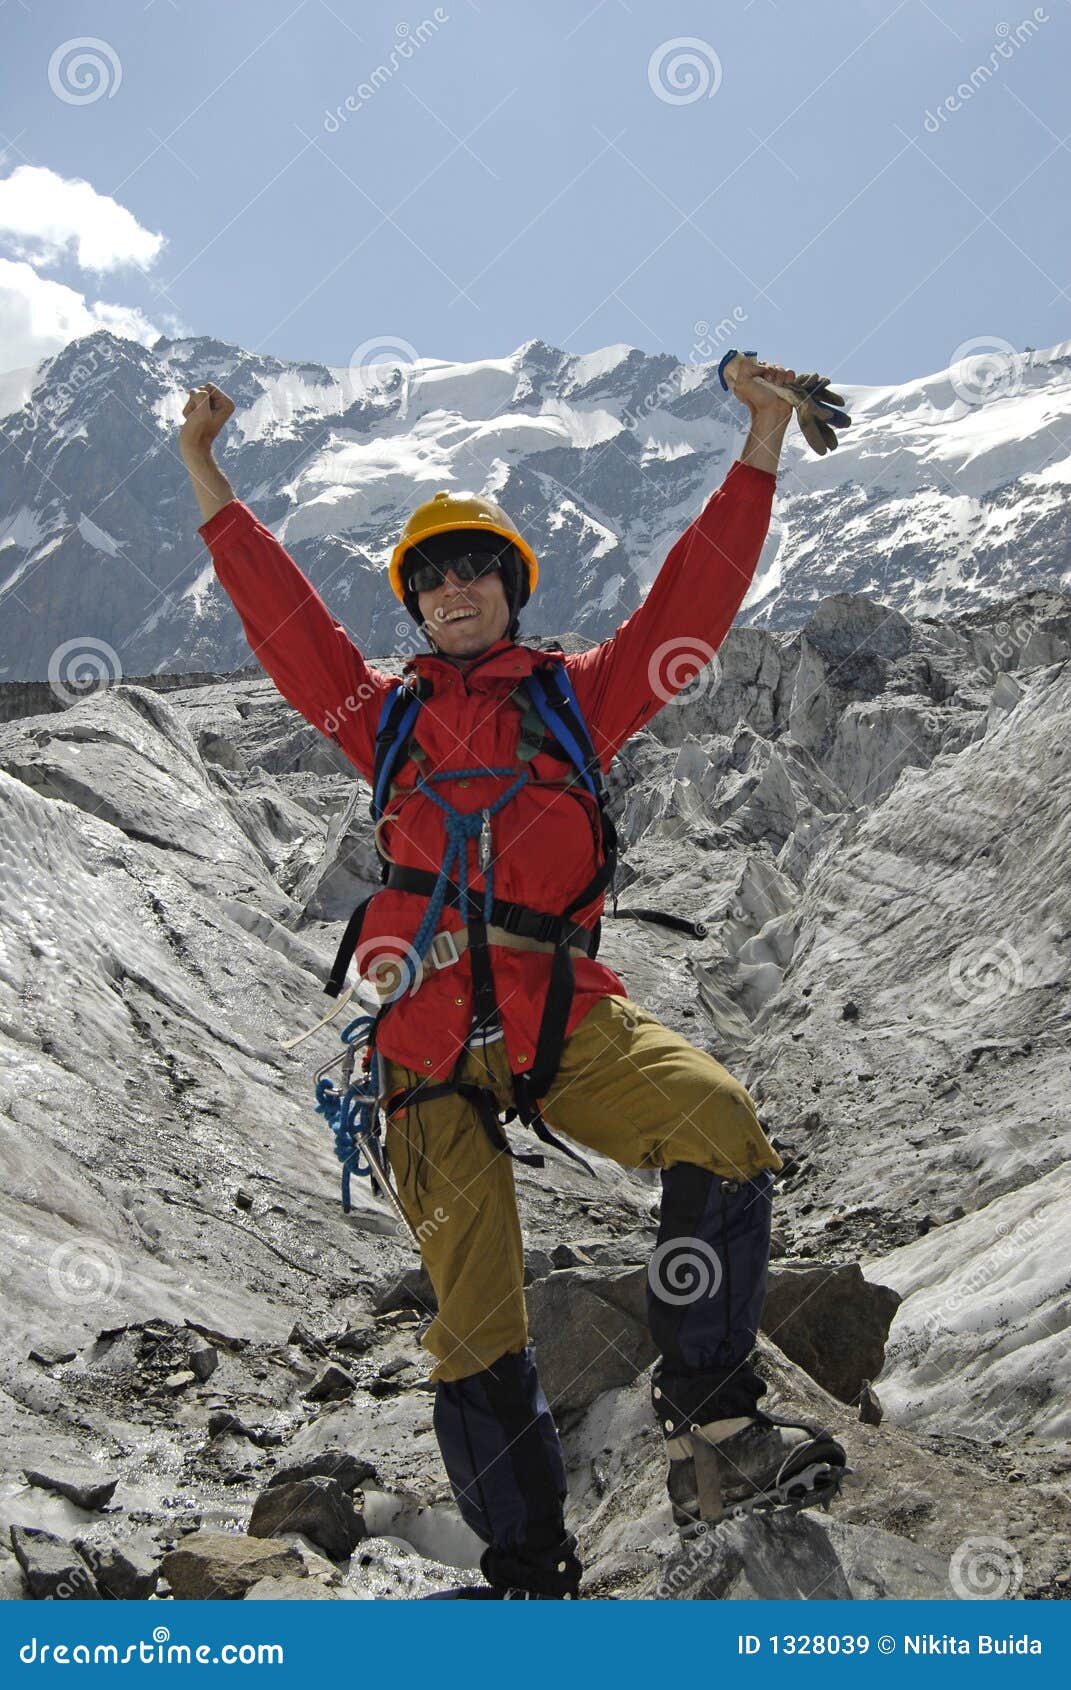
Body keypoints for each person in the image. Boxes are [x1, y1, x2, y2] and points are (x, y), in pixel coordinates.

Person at [179, 354, 845, 1599]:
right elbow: (280, 616)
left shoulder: (576, 704)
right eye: (428, 576)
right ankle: (531, 1570)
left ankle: (711, 1426)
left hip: (561, 1013)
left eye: (473, 565)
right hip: (426, 1046)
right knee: (476, 1321)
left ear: (513, 586)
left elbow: (688, 611)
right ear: (416, 606)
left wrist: (759, 443)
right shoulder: (374, 716)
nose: (451, 586)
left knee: (720, 1121)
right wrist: (207, 472)